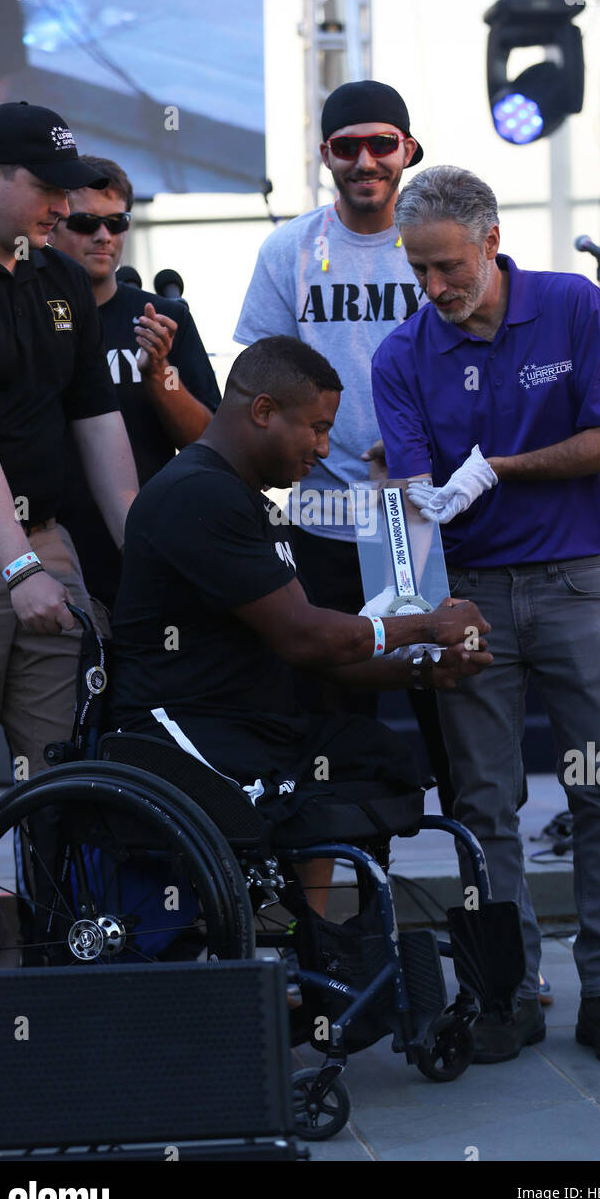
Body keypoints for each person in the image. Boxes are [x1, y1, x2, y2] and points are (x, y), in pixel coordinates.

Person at [371, 164, 600, 1067]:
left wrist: (500, 464)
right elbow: (413, 490)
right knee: (485, 802)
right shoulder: (402, 354)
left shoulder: (572, 306)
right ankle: (511, 988)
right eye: (419, 270)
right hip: (474, 596)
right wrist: (409, 537)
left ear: (492, 241)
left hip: (578, 580)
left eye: (449, 265)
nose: (435, 287)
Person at [109, 336, 493, 912]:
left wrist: (421, 673)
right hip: (182, 725)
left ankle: (314, 941)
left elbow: (315, 654)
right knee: (286, 796)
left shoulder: (257, 504)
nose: (323, 447)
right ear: (263, 411)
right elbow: (306, 635)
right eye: (315, 428)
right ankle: (278, 939)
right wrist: (427, 628)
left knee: (381, 759)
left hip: (256, 721)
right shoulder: (197, 494)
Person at [233, 79, 454, 807]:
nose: (365, 160)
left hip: (432, 511)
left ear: (409, 150)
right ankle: (337, 910)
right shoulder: (289, 249)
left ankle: (485, 897)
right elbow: (259, 382)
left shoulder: (436, 246)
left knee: (452, 712)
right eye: (347, 146)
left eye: (381, 143)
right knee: (327, 720)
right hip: (326, 517)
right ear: (325, 154)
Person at [0, 101, 138, 965]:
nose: (64, 209)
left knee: (60, 763)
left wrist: (142, 551)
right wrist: (20, 564)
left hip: (46, 541)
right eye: (47, 188)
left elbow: (98, 427)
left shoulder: (61, 280)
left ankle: (67, 960)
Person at [50, 156, 221, 612]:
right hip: (51, 543)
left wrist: (160, 374)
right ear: (52, 224)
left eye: (116, 222)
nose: (104, 237)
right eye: (85, 222)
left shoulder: (164, 317)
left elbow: (209, 441)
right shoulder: (27, 311)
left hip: (146, 539)